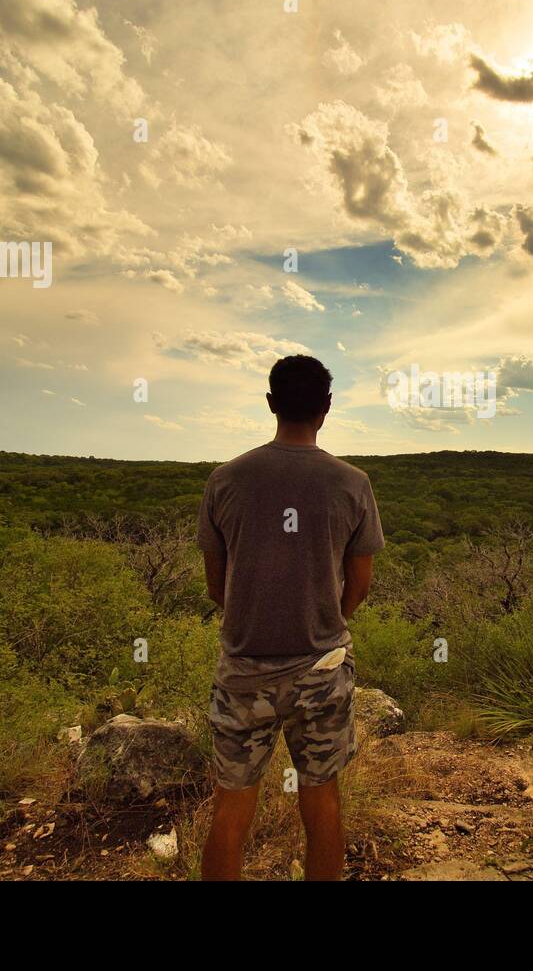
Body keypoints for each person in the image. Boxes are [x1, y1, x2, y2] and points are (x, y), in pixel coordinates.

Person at [196, 354, 384, 880]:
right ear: (326, 408)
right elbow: (361, 581)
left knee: (231, 809)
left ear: (271, 404)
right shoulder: (351, 483)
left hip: (243, 672)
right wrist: (326, 618)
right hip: (320, 670)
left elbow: (218, 586)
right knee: (322, 802)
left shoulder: (225, 480)